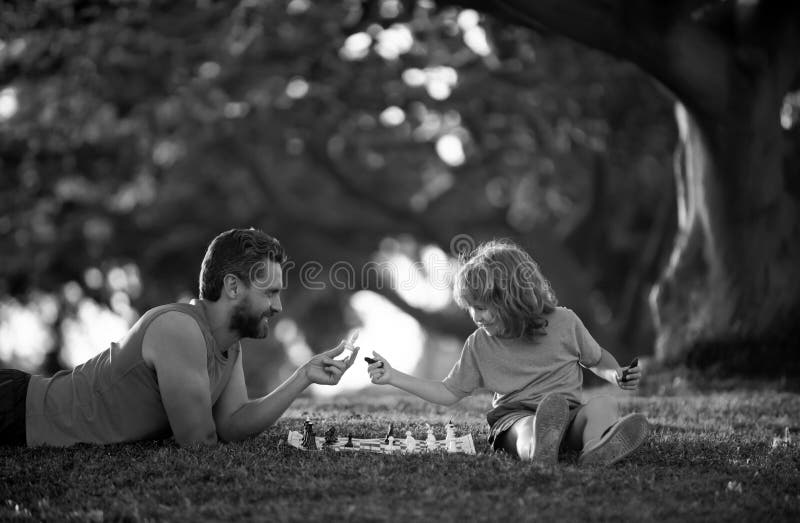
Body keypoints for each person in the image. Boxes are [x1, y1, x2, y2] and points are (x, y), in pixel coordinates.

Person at [0, 228, 359, 447]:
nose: (278, 306)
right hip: (17, 410)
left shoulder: (226, 344)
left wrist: (303, 376)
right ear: (233, 286)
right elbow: (200, 443)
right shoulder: (179, 329)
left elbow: (231, 425)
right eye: (270, 292)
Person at [367, 239, 649, 465]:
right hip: (515, 418)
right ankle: (539, 451)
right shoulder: (479, 344)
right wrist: (393, 376)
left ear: (514, 296)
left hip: (569, 415)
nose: (476, 316)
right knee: (527, 427)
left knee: (603, 405)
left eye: (483, 306)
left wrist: (616, 374)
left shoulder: (564, 322)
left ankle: (596, 449)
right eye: (471, 308)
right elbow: (447, 392)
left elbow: (597, 359)